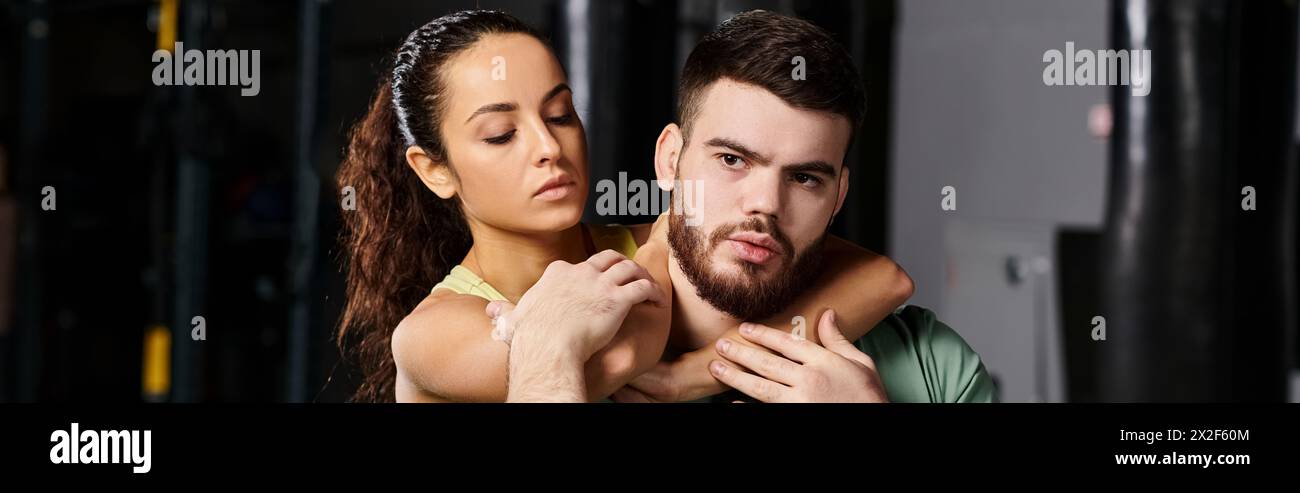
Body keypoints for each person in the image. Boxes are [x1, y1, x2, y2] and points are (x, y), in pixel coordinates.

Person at [334, 10, 912, 403]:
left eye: (560, 115)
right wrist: (552, 331)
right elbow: (602, 363)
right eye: (500, 134)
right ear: (434, 170)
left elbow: (880, 279)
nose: (548, 148)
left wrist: (695, 371)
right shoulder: (434, 334)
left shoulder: (655, 245)